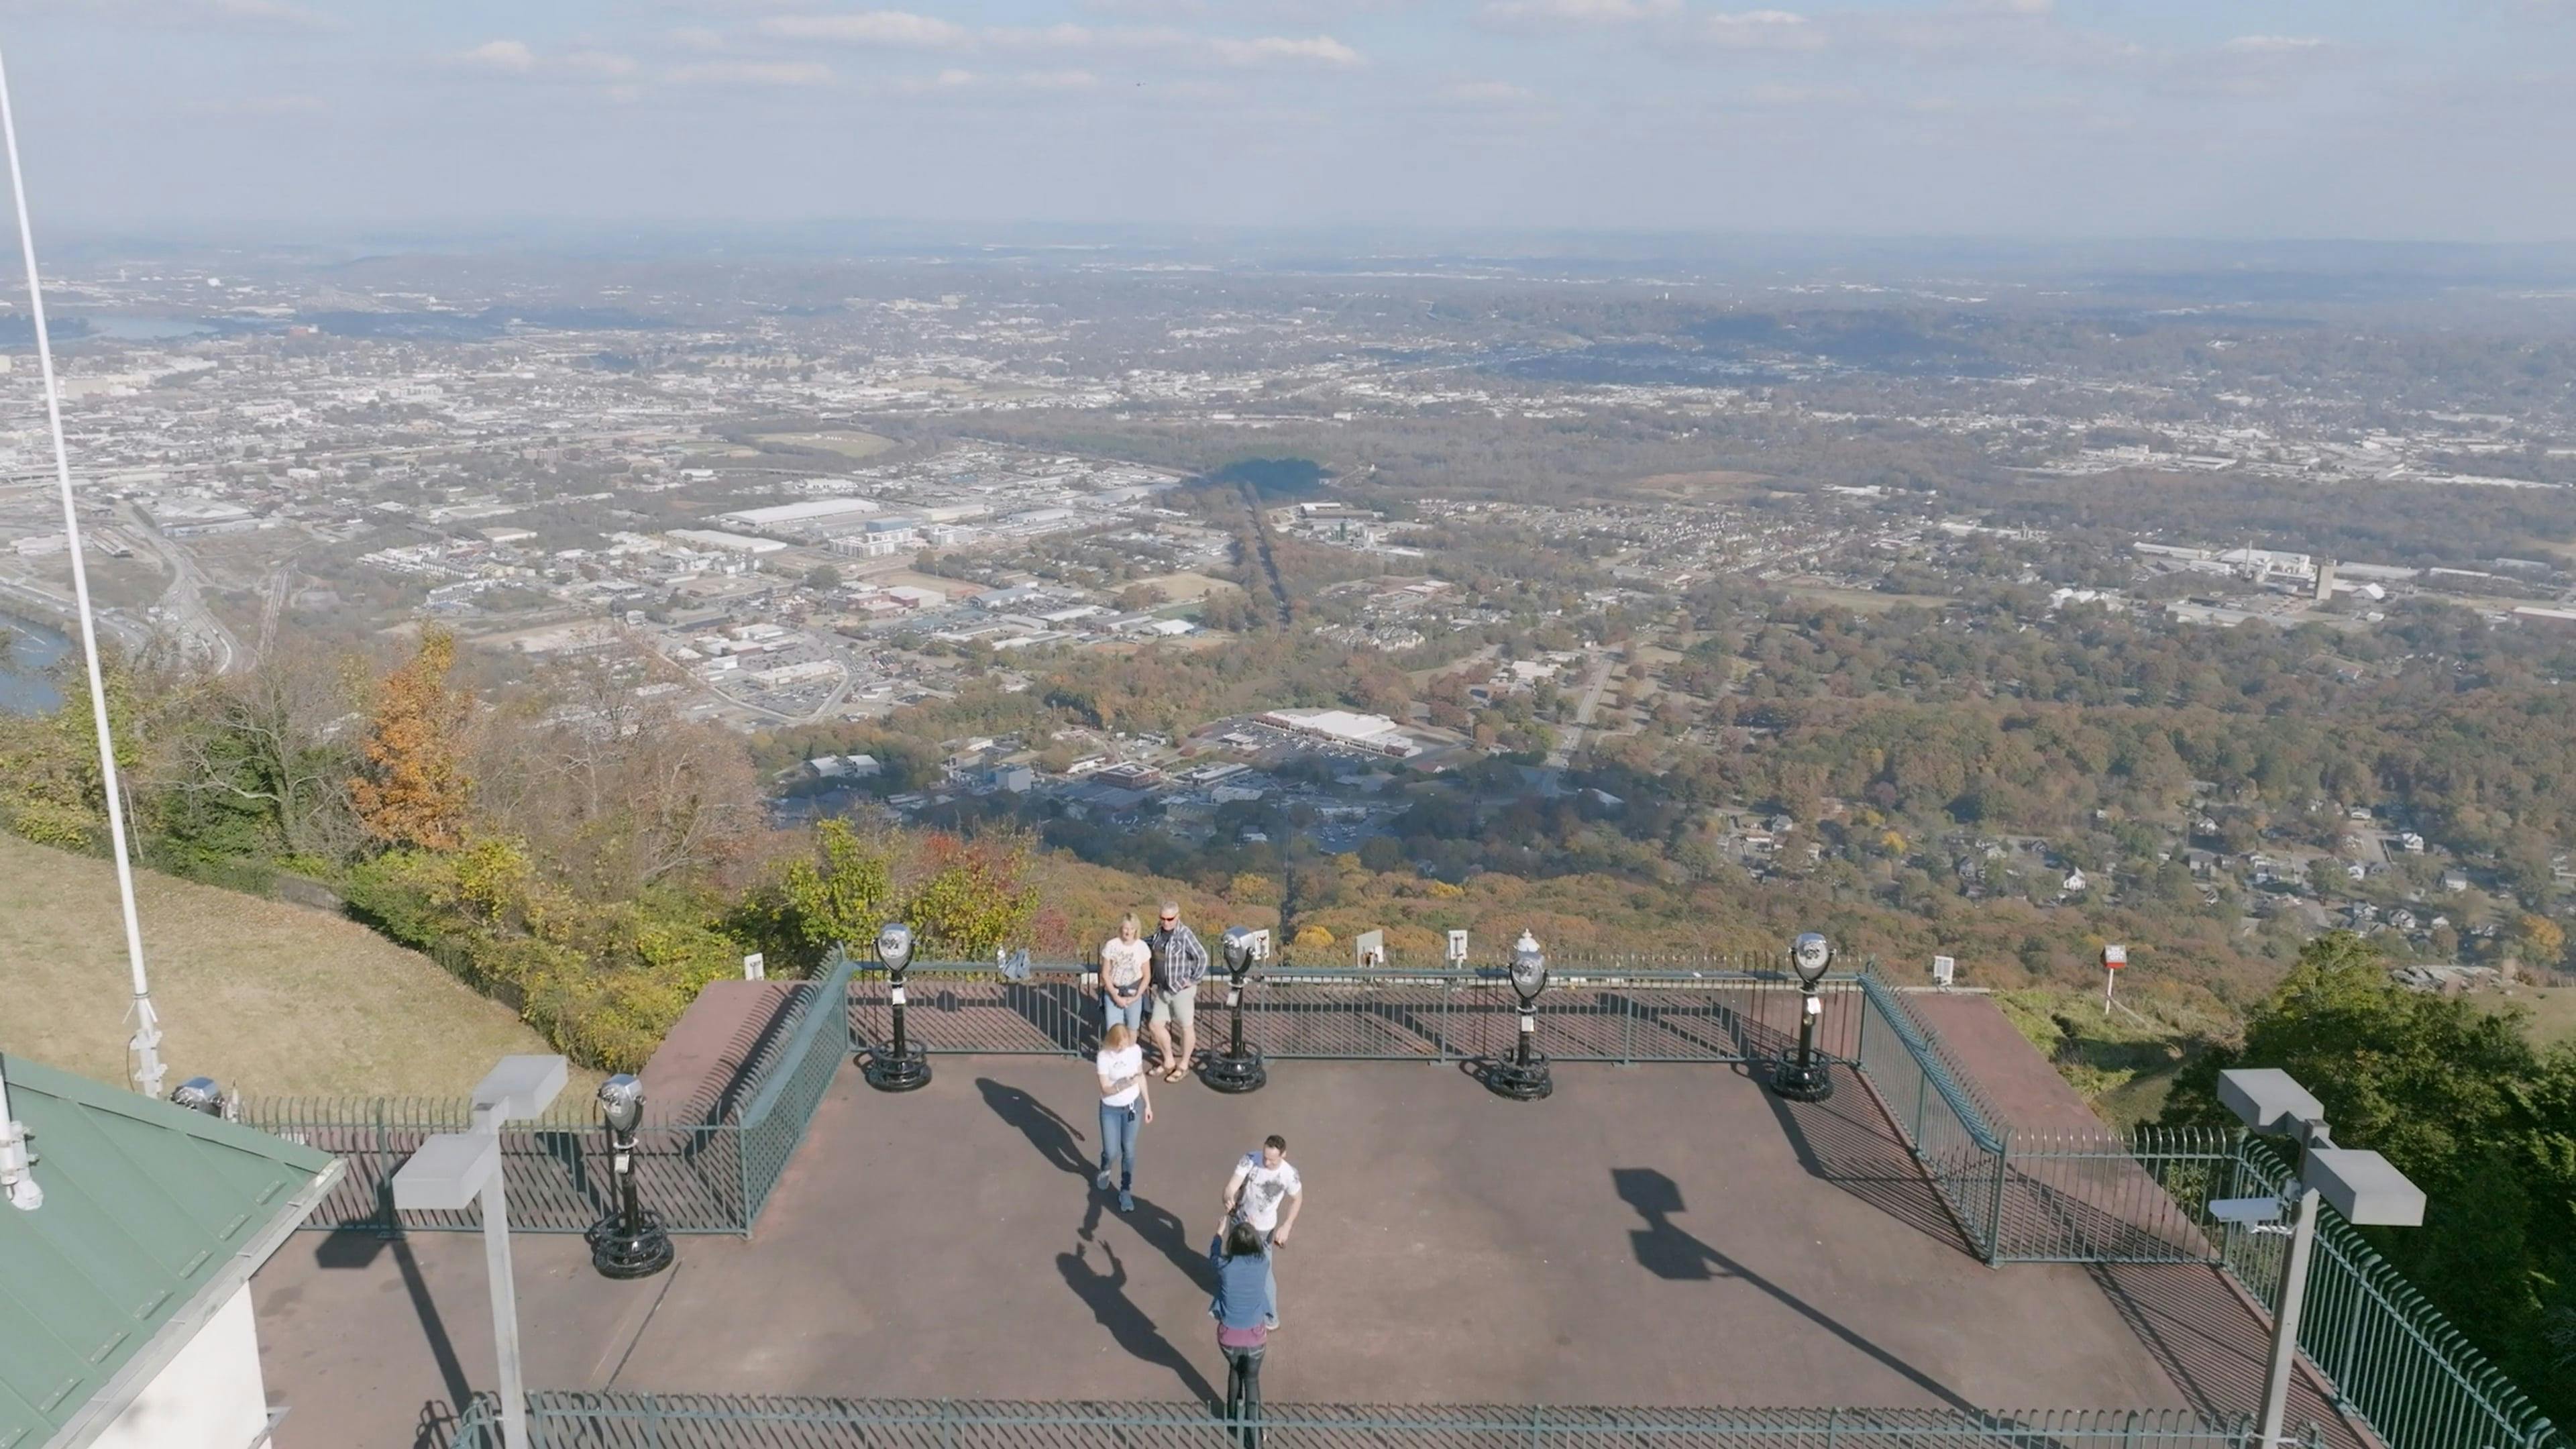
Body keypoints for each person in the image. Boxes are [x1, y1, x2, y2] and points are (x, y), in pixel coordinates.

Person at [1220, 1134, 1302, 1329]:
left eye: (1272, 1160)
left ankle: (1271, 1317)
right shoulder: (1250, 1159)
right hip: (1240, 1221)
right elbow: (1232, 1186)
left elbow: (1297, 1199)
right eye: (1265, 1157)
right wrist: (1228, 1196)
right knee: (1233, 1261)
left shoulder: (1289, 1175)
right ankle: (1236, 1303)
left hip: (1263, 1230)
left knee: (1264, 1272)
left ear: (1283, 1155)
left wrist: (1287, 1225)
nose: (1266, 1162)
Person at [1209, 1218, 1274, 1442]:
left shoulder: (1225, 1267)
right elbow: (1266, 1244)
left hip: (1228, 1338)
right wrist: (1254, 1227)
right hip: (1255, 1339)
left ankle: (1233, 1419)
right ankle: (1254, 1437)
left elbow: (1214, 1255)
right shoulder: (1263, 1263)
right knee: (1252, 1380)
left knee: (1235, 1370)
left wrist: (1218, 1233)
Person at [1148, 900, 1210, 1083]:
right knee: (1155, 1025)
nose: (1166, 922)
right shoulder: (1159, 934)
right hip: (1164, 988)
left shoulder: (1184, 934)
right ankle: (1168, 1061)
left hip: (1181, 989)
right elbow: (1151, 946)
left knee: (1186, 1026)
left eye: (1170, 919)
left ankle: (1183, 1065)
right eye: (1163, 918)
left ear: (1177, 917)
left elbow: (1202, 957)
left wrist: (1191, 980)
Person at [1095, 1022, 1152, 1213]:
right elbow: (1105, 1087)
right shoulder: (1103, 1057)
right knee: (1112, 1152)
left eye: (1125, 1043)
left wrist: (1148, 1104)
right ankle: (1105, 1166)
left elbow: (1140, 1076)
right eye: (1119, 1044)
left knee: (1129, 1149)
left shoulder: (1134, 1050)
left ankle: (1125, 1190)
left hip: (1132, 1107)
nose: (1122, 1048)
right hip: (1110, 1109)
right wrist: (1122, 1085)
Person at [1098, 913, 1151, 1038]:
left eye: (1132, 929)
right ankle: (1116, 1056)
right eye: (1126, 928)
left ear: (1136, 930)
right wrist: (1115, 996)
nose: (1128, 932)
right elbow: (1105, 973)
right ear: (1121, 928)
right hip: (1113, 993)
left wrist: (1137, 996)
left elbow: (1147, 975)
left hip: (1134, 993)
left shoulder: (1142, 947)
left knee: (1132, 1029)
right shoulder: (1112, 945)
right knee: (1114, 1030)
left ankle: (1130, 1056)